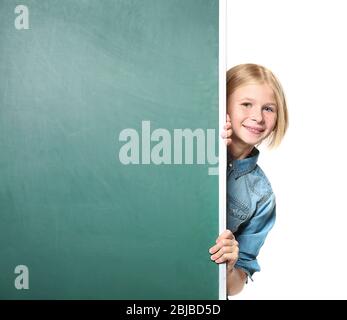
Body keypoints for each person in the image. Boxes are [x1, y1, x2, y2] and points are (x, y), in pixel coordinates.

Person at [209, 63, 289, 296]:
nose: (257, 117)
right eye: (246, 104)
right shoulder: (186, 146)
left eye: (268, 109)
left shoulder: (261, 196)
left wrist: (230, 266)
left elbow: (235, 286)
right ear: (223, 105)